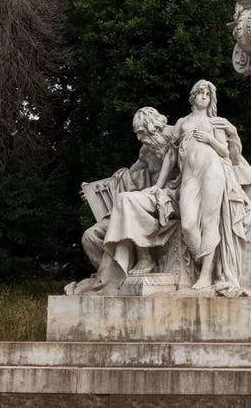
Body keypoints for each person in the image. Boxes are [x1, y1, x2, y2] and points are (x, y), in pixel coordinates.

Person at [155, 79, 251, 292]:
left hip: (213, 171)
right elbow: (170, 155)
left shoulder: (216, 122)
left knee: (209, 222)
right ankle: (204, 262)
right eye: (200, 92)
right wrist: (158, 185)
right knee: (188, 225)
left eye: (208, 94)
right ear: (192, 97)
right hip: (189, 177)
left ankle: (205, 275)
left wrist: (210, 140)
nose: (204, 96)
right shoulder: (182, 123)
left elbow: (225, 152)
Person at [67, 107, 174, 294]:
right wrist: (93, 191)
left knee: (126, 199)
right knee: (90, 236)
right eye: (137, 134)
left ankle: (145, 258)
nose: (139, 138)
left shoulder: (175, 136)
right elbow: (129, 174)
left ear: (153, 126)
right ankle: (111, 278)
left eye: (141, 132)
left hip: (170, 197)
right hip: (145, 198)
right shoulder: (147, 150)